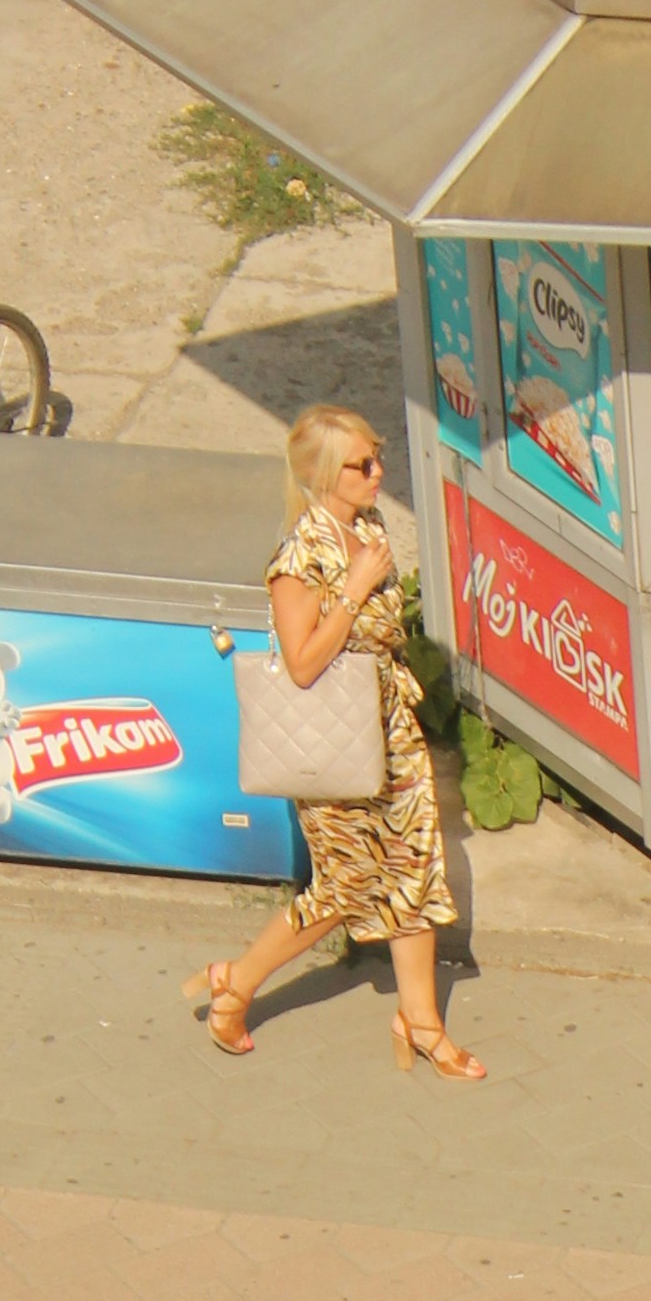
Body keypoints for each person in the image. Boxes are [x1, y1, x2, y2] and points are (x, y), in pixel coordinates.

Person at [181, 405, 482, 1078]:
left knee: (413, 874)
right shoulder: (299, 558)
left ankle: (422, 1022)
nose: (379, 474)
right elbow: (303, 664)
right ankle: (237, 982)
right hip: (334, 746)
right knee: (346, 888)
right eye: (363, 465)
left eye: (378, 459)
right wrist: (351, 592)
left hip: (390, 733)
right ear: (322, 475)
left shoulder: (367, 530)